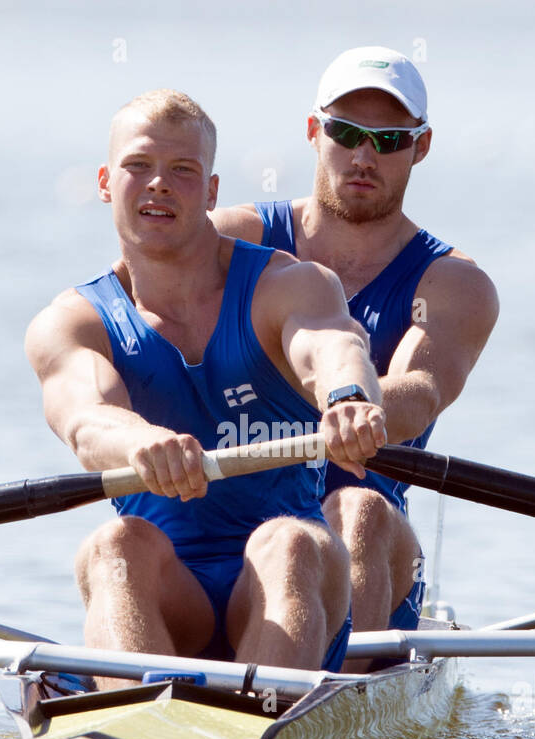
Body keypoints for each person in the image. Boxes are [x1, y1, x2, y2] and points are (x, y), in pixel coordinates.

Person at [25, 89, 388, 676]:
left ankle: (266, 729)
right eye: (138, 166)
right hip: (171, 592)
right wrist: (139, 441)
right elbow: (86, 420)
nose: (159, 185)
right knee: (115, 545)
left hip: (286, 578)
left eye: (182, 171)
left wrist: (348, 398)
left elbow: (333, 347)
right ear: (104, 181)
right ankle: (143, 726)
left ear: (212, 192)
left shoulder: (289, 286)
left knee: (289, 543)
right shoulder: (73, 321)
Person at [213, 46, 499, 656]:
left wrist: (353, 409)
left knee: (358, 508)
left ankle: (339, 704)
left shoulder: (453, 285)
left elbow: (419, 393)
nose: (364, 156)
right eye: (346, 133)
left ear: (420, 148)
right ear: (315, 132)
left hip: (370, 532)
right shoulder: (233, 240)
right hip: (233, 517)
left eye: (389, 140)